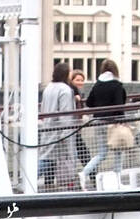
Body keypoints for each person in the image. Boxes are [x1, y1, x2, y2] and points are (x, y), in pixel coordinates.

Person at [82, 59, 129, 183]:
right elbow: (119, 106)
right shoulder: (117, 85)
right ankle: (117, 178)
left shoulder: (97, 84)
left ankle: (84, 173)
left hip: (98, 121)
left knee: (101, 153)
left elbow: (89, 103)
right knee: (118, 151)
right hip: (113, 123)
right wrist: (122, 121)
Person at [37, 62, 78, 190]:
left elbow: (43, 109)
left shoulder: (49, 87)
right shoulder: (65, 90)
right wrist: (66, 134)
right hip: (59, 132)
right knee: (49, 159)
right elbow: (65, 114)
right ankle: (29, 179)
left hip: (47, 128)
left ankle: (46, 184)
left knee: (46, 157)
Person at [70, 68, 91, 170]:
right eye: (77, 80)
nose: (80, 82)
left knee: (80, 152)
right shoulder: (72, 93)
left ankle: (90, 174)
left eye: (82, 80)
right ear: (72, 80)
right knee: (82, 152)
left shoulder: (77, 93)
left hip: (76, 127)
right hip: (72, 127)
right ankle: (91, 175)